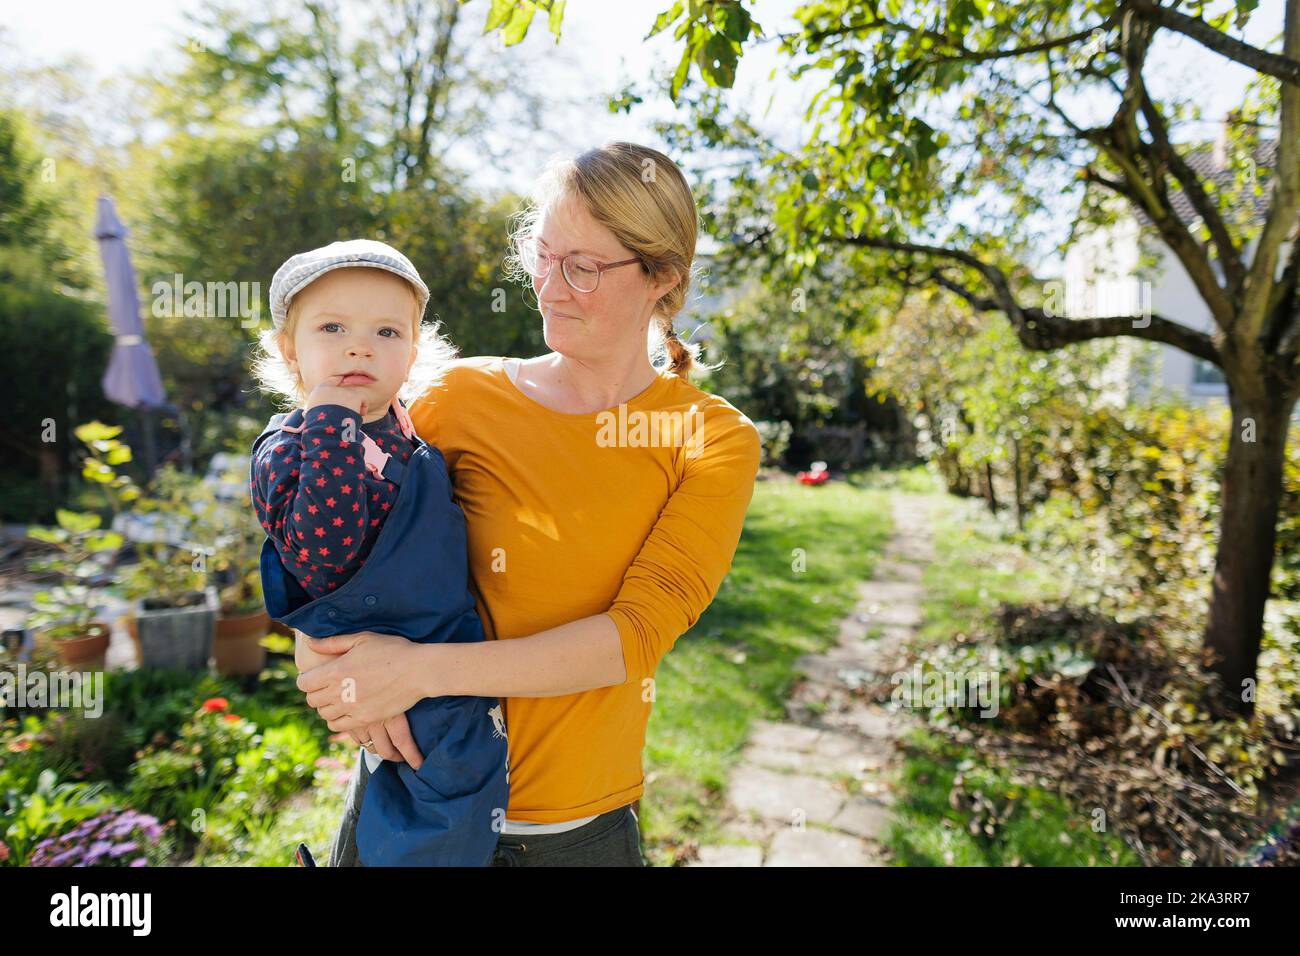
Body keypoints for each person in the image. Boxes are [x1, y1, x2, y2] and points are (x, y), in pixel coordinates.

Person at [297, 142, 762, 866]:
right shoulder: (457, 397)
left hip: (573, 838)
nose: (549, 288)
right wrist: (318, 648)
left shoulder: (710, 438)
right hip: (410, 811)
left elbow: (631, 638)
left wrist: (416, 672)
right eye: (543, 256)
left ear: (660, 278)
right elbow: (327, 526)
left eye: (582, 268)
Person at [249, 239, 509, 866]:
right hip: (385, 651)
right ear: (291, 350)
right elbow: (325, 554)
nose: (359, 346)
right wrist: (331, 420)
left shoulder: (403, 427)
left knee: (452, 782)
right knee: (445, 787)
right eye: (332, 327)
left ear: (412, 353)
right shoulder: (288, 448)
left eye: (387, 331)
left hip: (439, 641)